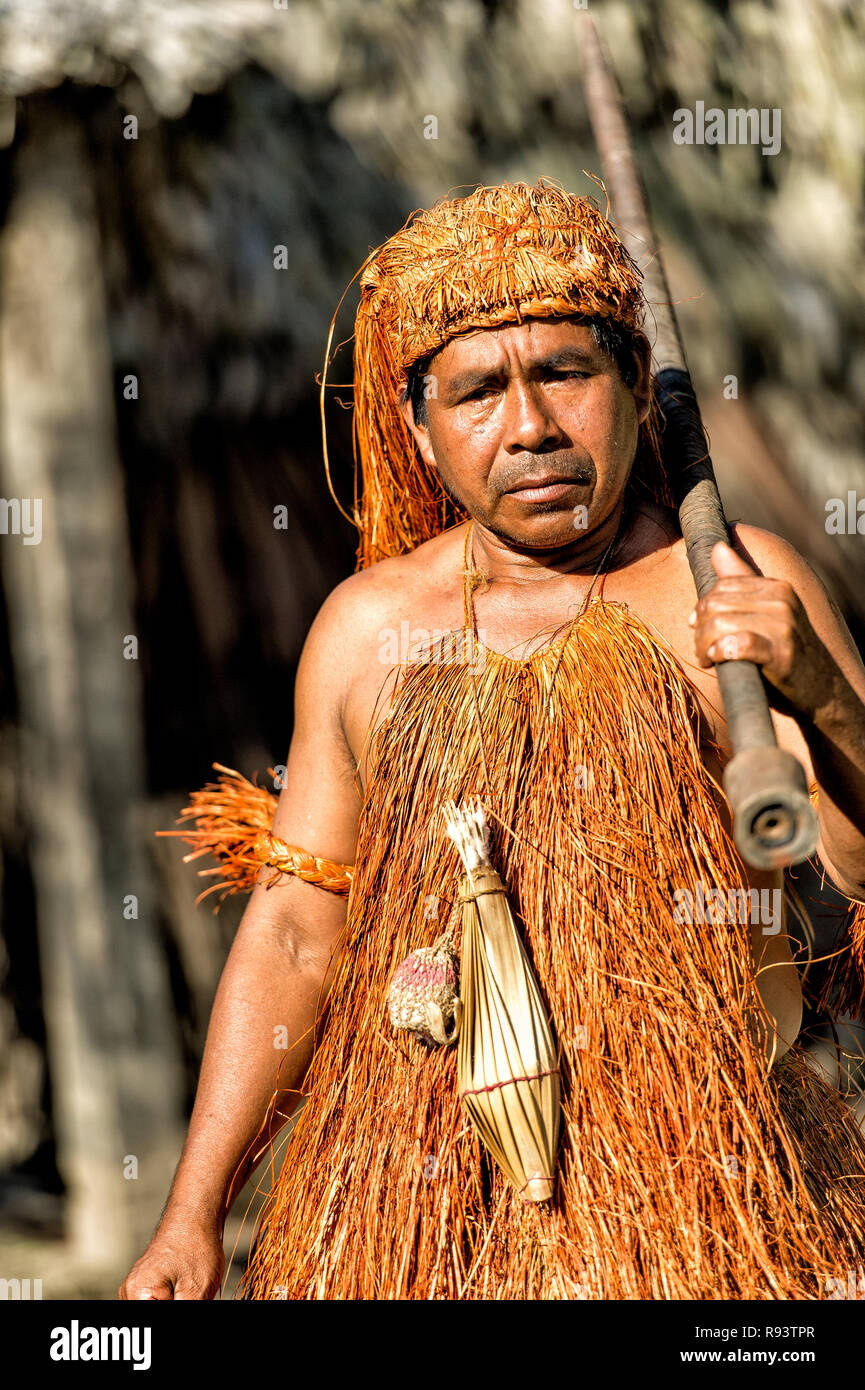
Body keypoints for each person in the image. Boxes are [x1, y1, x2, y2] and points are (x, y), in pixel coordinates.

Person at [120, 178, 865, 1301]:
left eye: (565, 372)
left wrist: (817, 689)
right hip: (408, 1211)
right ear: (417, 430)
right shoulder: (371, 630)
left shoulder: (728, 588)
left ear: (632, 386)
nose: (528, 426)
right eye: (478, 390)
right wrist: (192, 1214)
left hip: (697, 1202)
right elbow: (294, 933)